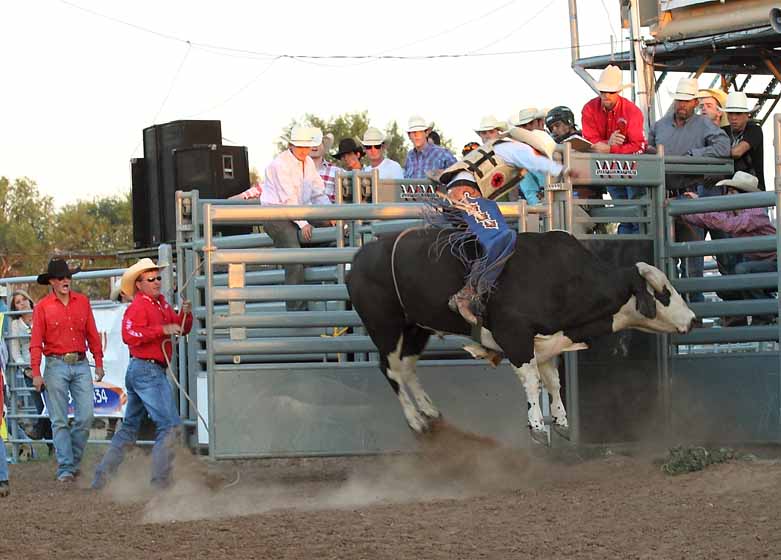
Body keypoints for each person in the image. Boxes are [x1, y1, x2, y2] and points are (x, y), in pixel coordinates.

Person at [430, 128, 565, 324]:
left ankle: (474, 289)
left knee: (489, 240)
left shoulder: (502, 147)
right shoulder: (519, 149)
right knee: (503, 238)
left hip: (460, 193)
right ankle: (468, 295)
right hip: (466, 194)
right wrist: (563, 170)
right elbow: (535, 162)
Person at [92, 259, 192, 490]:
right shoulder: (139, 306)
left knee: (130, 427)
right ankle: (161, 481)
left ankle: (103, 477)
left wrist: (185, 316)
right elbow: (129, 335)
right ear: (139, 284)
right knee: (169, 425)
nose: (157, 282)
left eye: (158, 278)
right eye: (151, 278)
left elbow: (181, 327)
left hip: (144, 370)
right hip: (147, 370)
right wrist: (162, 329)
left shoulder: (160, 304)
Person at [650, 77, 731, 304]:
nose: (682, 105)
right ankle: (676, 307)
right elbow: (647, 147)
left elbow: (723, 146)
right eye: (679, 100)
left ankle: (695, 306)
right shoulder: (660, 126)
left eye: (686, 101)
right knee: (667, 255)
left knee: (692, 255)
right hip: (665, 196)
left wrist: (694, 155)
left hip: (690, 194)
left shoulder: (703, 124)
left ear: (694, 102)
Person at [30, 258, 104, 482]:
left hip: (80, 362)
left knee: (86, 416)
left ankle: (70, 462)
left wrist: (98, 361)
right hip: (55, 364)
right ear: (52, 281)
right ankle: (67, 467)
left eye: (68, 277)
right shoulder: (42, 307)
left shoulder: (82, 302)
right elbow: (36, 342)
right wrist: (36, 372)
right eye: (61, 277)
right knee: (59, 420)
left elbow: (92, 333)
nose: (66, 280)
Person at [680, 172, 776, 324]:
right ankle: (763, 310)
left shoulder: (756, 213)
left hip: (774, 264)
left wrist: (692, 207)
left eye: (732, 191)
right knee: (725, 286)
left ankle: (765, 315)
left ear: (743, 195)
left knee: (742, 270)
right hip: (762, 265)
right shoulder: (733, 211)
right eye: (728, 191)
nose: (728, 195)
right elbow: (713, 217)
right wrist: (689, 208)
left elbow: (726, 223)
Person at [260, 126, 333, 312]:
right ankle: (297, 311)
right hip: (276, 216)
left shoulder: (307, 163)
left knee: (331, 233)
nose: (303, 150)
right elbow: (288, 199)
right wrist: (303, 223)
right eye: (299, 146)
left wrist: (331, 214)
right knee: (294, 257)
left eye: (306, 146)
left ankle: (320, 297)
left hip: (299, 212)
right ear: (290, 145)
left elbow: (318, 193)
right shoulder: (279, 165)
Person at [581, 64, 648, 234]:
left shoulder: (632, 111)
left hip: (627, 169)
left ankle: (630, 243)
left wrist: (609, 148)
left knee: (632, 212)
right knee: (626, 212)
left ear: (618, 92)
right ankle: (632, 244)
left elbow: (639, 146)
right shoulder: (590, 109)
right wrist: (609, 145)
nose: (606, 95)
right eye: (603, 91)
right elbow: (590, 142)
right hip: (610, 169)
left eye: (610, 92)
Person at [9, 290, 52, 443]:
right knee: (40, 406)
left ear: (29, 300)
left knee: (52, 405)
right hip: (30, 371)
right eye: (18, 302)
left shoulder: (41, 315)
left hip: (47, 365)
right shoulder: (15, 325)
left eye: (24, 299)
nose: (22, 303)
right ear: (15, 307)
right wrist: (25, 368)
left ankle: (39, 431)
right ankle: (50, 443)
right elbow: (15, 350)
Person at [726, 91, 765, 190]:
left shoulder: (754, 130)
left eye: (738, 113)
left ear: (747, 115)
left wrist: (715, 151)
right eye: (730, 113)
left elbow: (737, 152)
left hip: (753, 190)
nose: (734, 118)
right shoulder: (723, 131)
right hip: (729, 189)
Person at [309, 132, 339, 202]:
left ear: (323, 146)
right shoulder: (295, 171)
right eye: (311, 143)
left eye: (318, 142)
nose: (314, 146)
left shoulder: (337, 172)